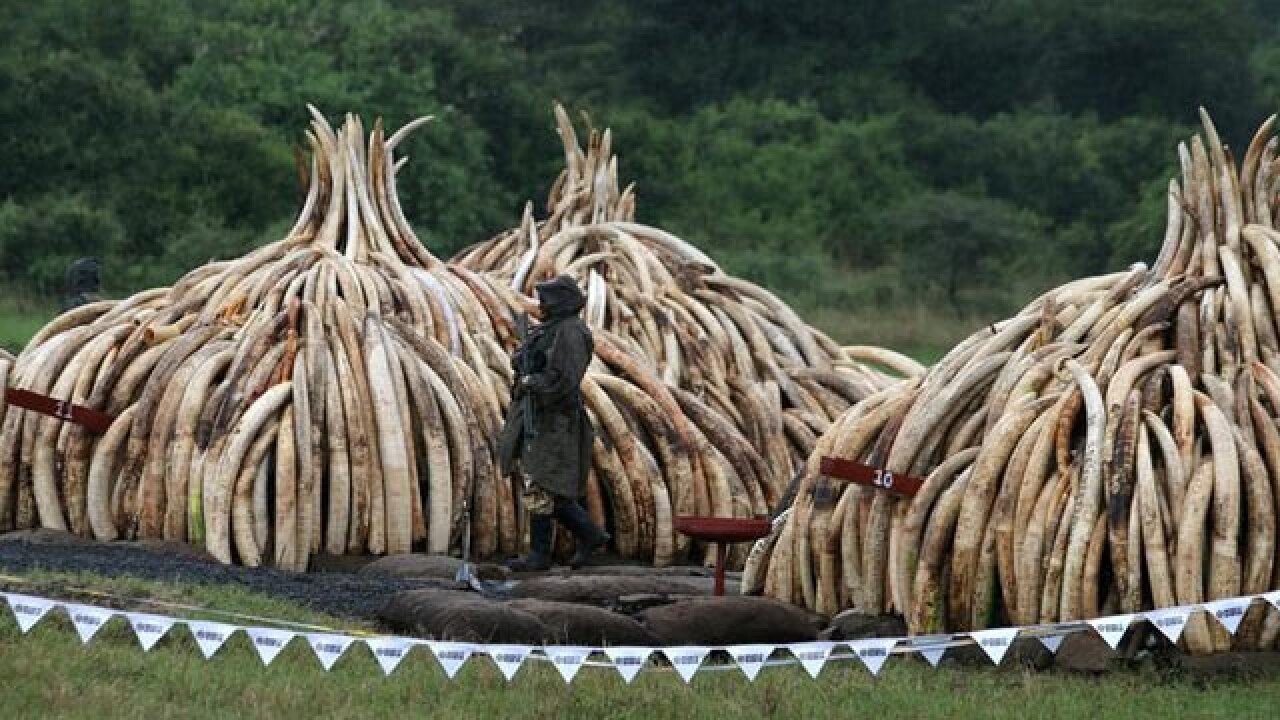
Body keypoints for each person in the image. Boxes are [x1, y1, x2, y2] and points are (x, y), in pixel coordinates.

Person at [498, 275, 609, 571]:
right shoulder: (552, 328)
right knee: (541, 483)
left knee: (543, 483)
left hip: (556, 421)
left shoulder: (571, 332)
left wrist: (533, 382)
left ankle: (564, 545)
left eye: (547, 301)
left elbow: (564, 378)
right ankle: (580, 539)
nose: (542, 306)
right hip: (542, 416)